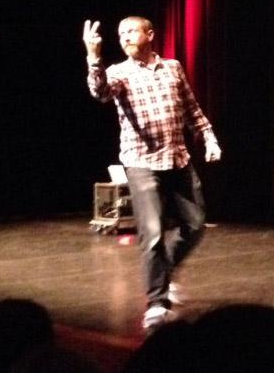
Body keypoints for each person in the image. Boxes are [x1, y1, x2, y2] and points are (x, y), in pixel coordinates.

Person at [83, 16, 222, 331]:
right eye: (121, 34)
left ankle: (164, 271)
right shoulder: (118, 72)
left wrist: (209, 138)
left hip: (177, 158)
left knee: (195, 224)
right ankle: (157, 302)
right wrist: (93, 57)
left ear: (150, 34)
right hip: (141, 161)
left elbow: (191, 108)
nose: (125, 37)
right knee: (153, 231)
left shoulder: (173, 68)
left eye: (131, 31)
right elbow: (100, 92)